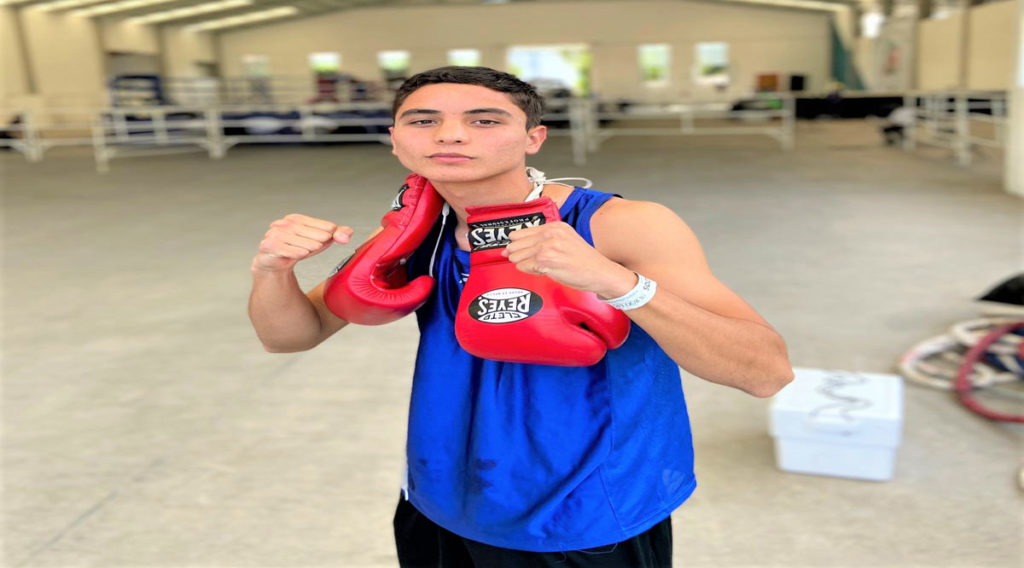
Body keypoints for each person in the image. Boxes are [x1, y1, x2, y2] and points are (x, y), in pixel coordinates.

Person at [248, 66, 794, 567]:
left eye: (484, 120)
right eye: (423, 120)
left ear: (534, 138)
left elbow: (765, 371)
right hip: (440, 501)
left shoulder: (622, 225)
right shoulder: (411, 233)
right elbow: (291, 336)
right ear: (395, 140)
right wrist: (273, 270)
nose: (450, 135)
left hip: (583, 519)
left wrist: (616, 283)